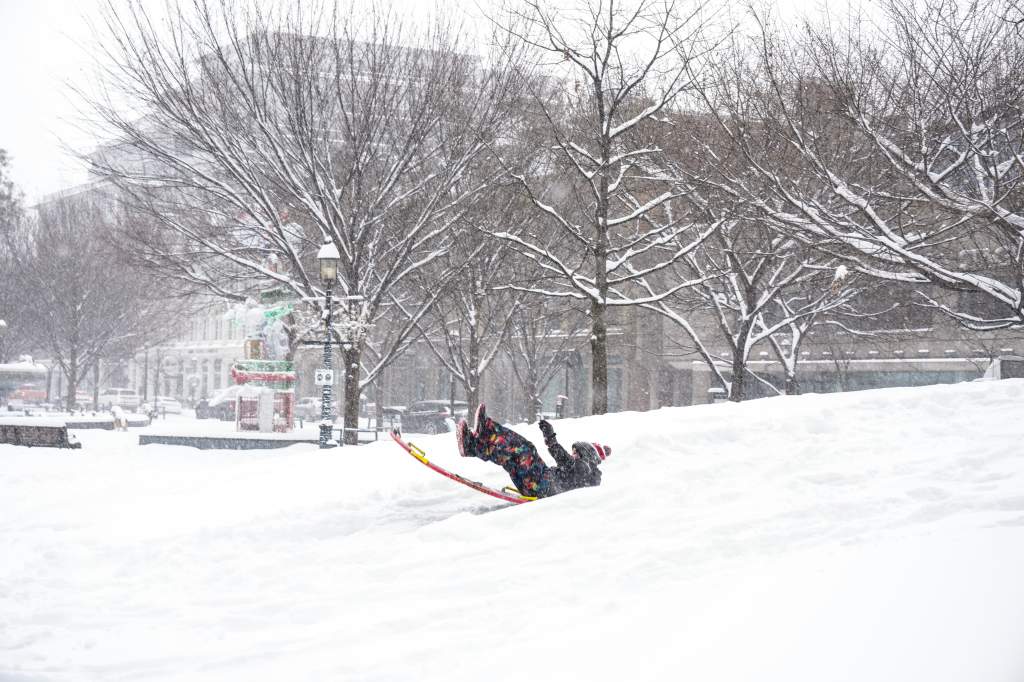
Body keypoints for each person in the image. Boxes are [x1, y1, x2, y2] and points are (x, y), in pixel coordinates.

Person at [456, 404, 611, 499]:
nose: (573, 455)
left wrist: (550, 438)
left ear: (587, 455)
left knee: (525, 449)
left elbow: (565, 460)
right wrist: (550, 439)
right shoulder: (583, 471)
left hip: (546, 486)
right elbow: (565, 461)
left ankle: (482, 434)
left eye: (576, 452)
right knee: (512, 456)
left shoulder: (587, 470)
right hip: (540, 485)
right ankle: (474, 442)